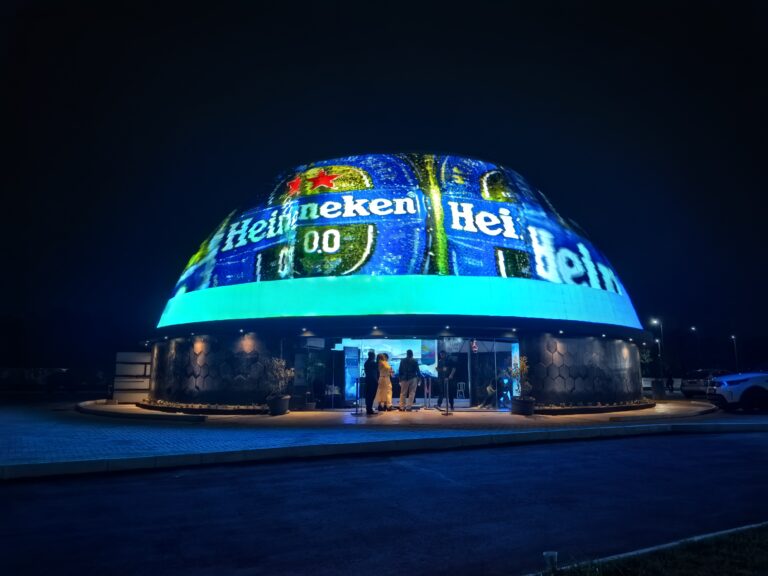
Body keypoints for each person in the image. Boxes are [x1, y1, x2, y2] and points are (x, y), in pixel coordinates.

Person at [363, 350, 379, 415]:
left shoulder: (366, 363)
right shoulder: (373, 363)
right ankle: (369, 410)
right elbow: (376, 369)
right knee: (371, 395)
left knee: (368, 395)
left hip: (368, 380)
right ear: (372, 356)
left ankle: (369, 409)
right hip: (373, 381)